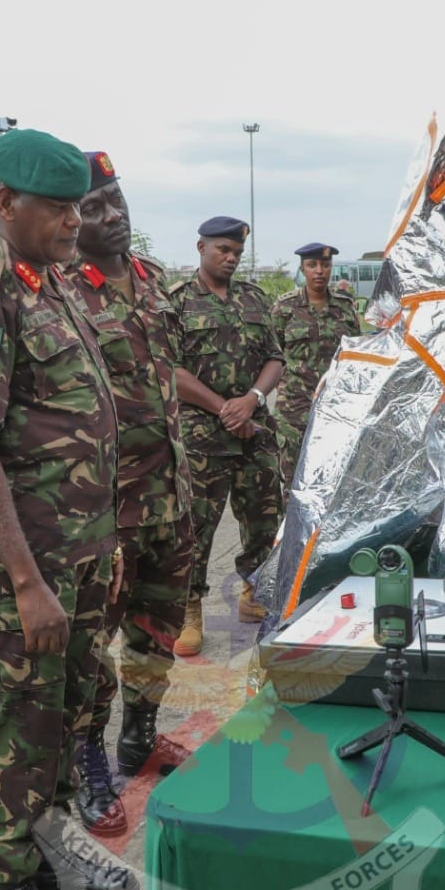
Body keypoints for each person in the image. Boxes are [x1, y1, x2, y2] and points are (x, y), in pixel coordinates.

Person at [0, 129, 136, 890]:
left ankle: (55, 867)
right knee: (23, 734)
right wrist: (23, 579)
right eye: (55, 207)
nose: (72, 221)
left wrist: (106, 544)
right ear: (3, 198)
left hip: (78, 555)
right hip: (31, 569)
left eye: (79, 205)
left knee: (65, 719)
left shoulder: (46, 281)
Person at [62, 152, 194, 832]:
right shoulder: (60, 293)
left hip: (170, 494)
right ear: (68, 216)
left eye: (116, 199)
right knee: (93, 643)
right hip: (105, 505)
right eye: (93, 206)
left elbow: (169, 378)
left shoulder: (153, 280)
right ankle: (86, 757)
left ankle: (139, 737)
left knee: (157, 629)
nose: (112, 215)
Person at [168, 217, 284, 653]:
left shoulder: (253, 298)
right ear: (201, 247)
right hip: (202, 437)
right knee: (196, 524)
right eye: (223, 250)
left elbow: (275, 357)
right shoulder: (177, 301)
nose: (231, 258)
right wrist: (224, 407)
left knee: (263, 517)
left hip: (254, 431)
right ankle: (188, 609)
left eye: (236, 252)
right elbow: (169, 369)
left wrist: (252, 398)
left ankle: (253, 592)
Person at [270, 242, 362, 485]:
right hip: (294, 409)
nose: (319, 271)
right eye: (312, 265)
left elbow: (354, 355)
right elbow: (272, 355)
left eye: (325, 265)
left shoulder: (345, 308)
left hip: (335, 407)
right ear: (303, 269)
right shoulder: (285, 307)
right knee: (291, 480)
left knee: (331, 478)